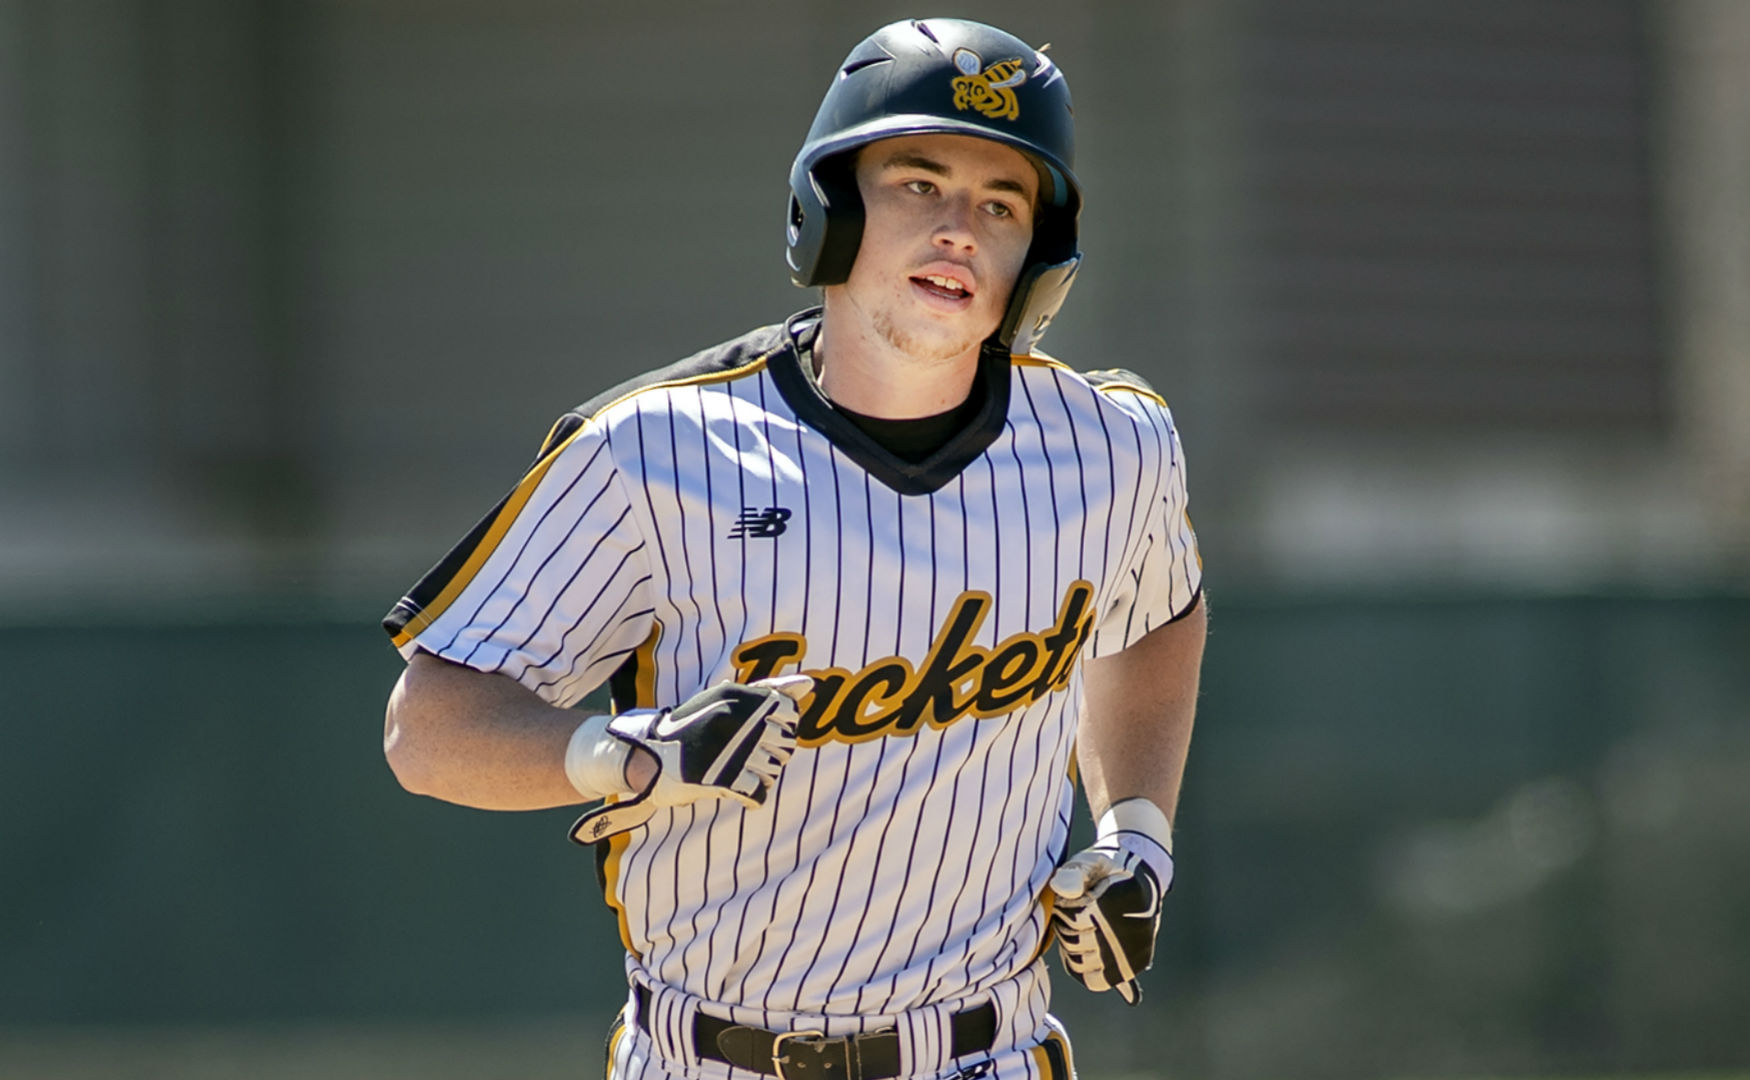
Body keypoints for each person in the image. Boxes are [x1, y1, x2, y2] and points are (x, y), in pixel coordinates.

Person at [381, 17, 1204, 1080]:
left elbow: (1156, 618)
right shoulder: (649, 453)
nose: (959, 227)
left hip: (983, 1052)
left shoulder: (1114, 446)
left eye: (1001, 205)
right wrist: (621, 754)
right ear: (831, 212)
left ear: (1035, 263)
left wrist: (1136, 832)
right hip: (709, 1056)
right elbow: (430, 730)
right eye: (917, 183)